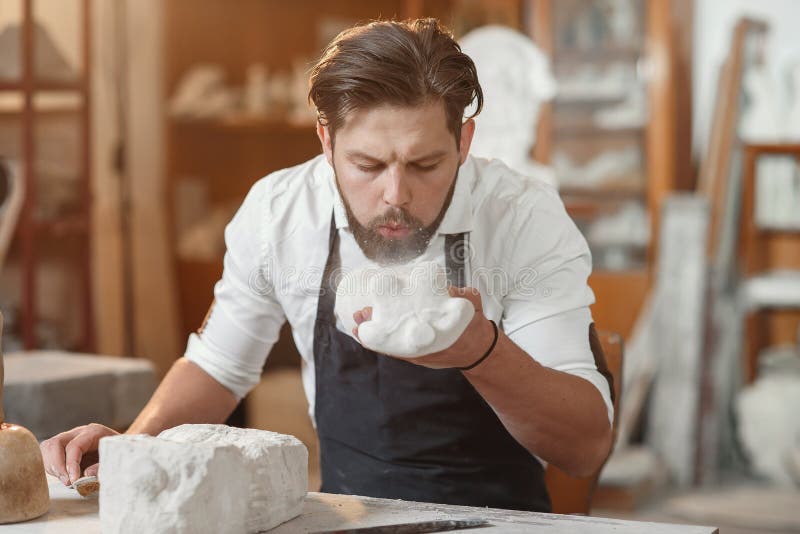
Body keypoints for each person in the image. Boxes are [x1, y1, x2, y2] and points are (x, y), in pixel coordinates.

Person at [41, 18, 613, 512]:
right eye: (366, 164)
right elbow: (218, 368)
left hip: (503, 520)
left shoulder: (521, 217)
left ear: (464, 141)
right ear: (325, 140)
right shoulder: (280, 212)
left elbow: (585, 449)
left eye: (426, 163)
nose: (396, 195)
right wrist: (130, 452)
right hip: (350, 513)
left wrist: (482, 352)